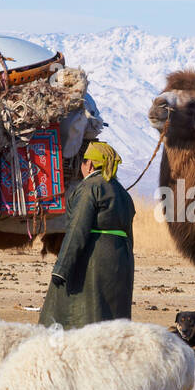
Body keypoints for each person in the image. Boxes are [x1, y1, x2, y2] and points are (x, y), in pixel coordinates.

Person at [39, 141, 135, 329]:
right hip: (121, 261)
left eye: (83, 162)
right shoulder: (123, 192)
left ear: (89, 164)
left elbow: (77, 229)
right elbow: (129, 236)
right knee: (112, 318)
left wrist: (61, 268)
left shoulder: (90, 187)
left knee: (72, 312)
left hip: (93, 260)